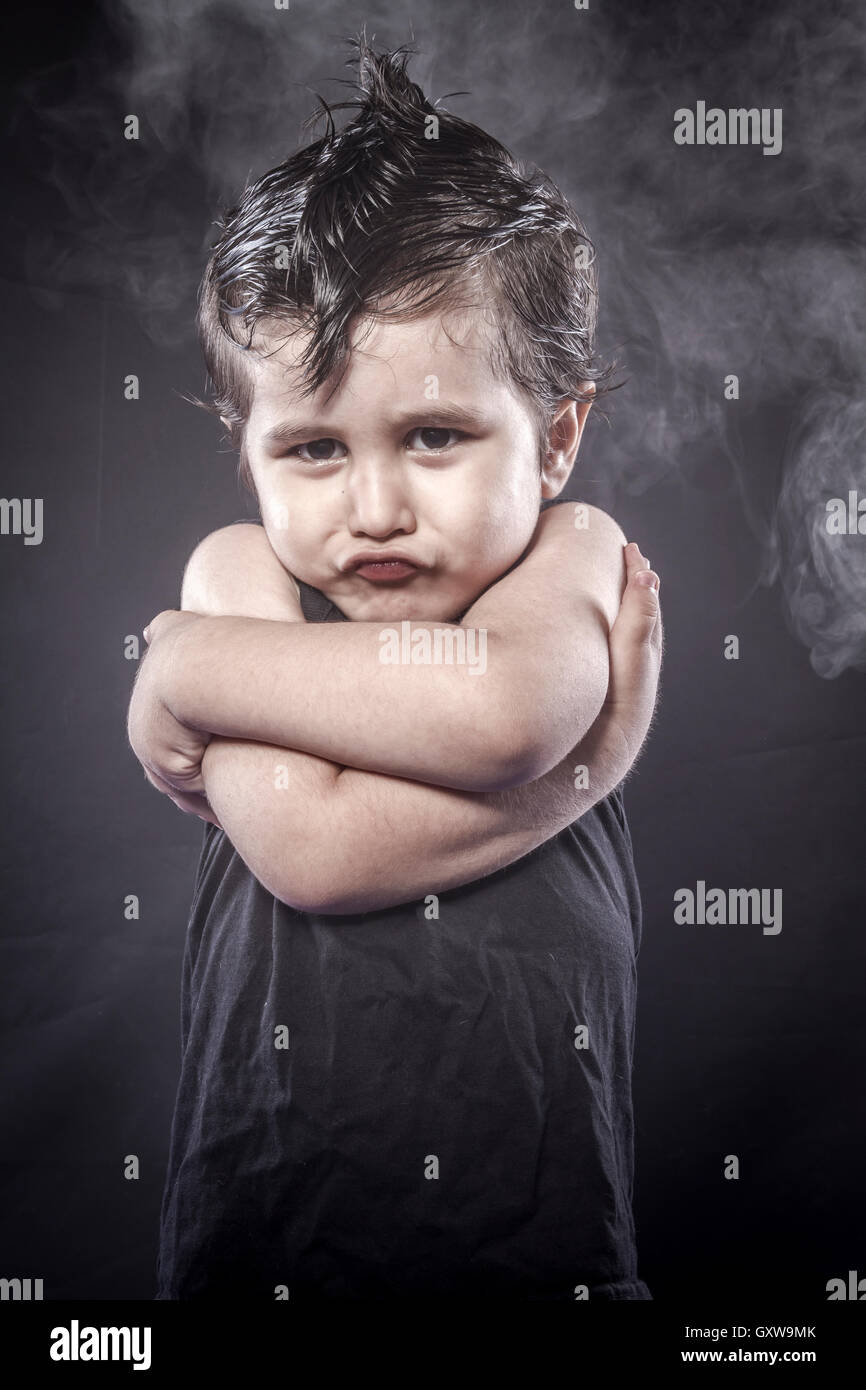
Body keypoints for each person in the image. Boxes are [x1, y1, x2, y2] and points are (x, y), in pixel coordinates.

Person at [127, 36, 663, 1299]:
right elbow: (308, 855)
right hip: (261, 1250)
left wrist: (193, 667)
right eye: (311, 449)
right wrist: (598, 755)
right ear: (245, 449)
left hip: (539, 1257)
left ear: (555, 438)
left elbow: (496, 714)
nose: (371, 509)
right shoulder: (238, 578)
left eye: (433, 435)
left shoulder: (571, 559)